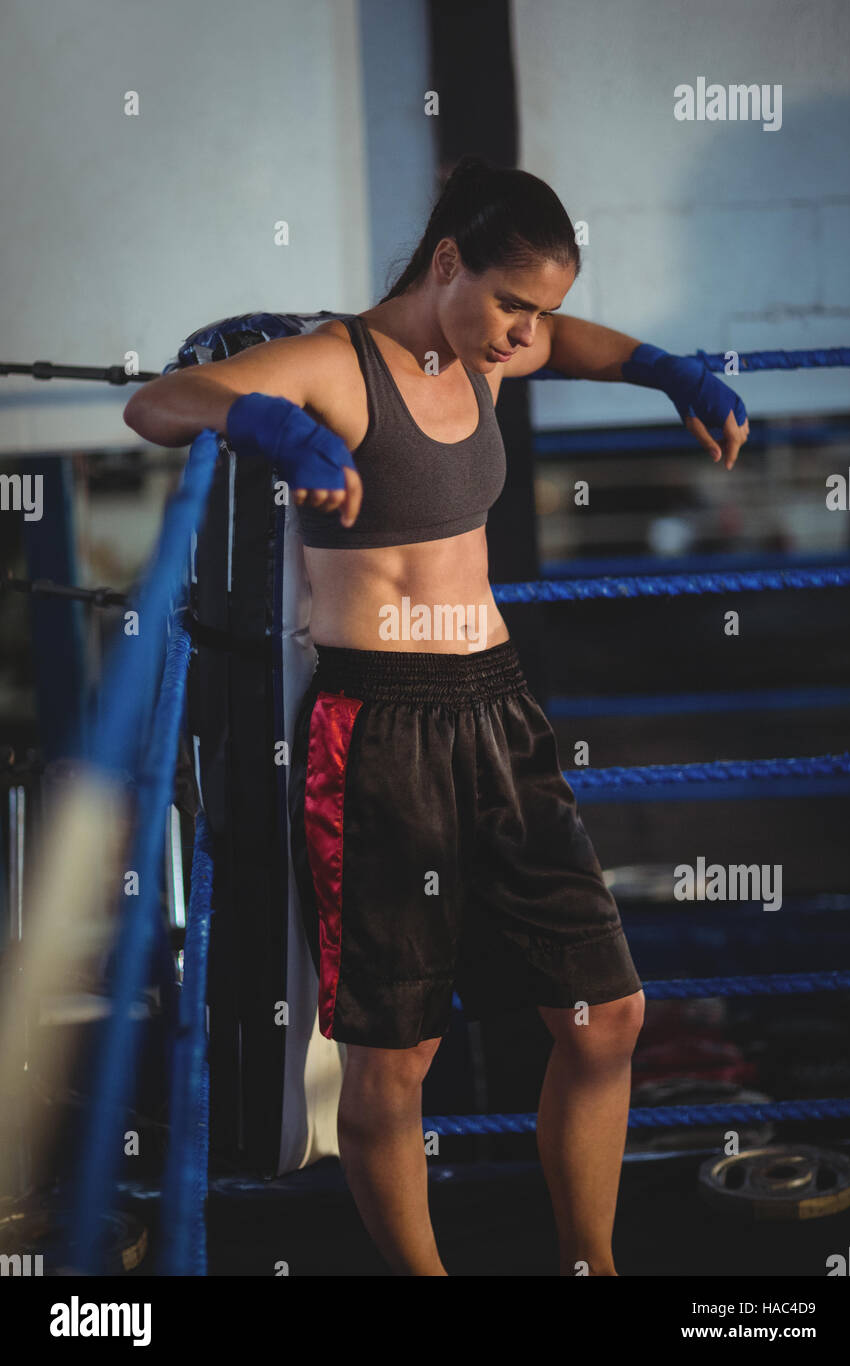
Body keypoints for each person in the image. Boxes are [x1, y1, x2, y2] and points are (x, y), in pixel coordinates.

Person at [123, 155, 749, 1277]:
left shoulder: (490, 352)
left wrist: (668, 372)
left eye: (540, 309)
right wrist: (269, 422)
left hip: (500, 715)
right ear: (446, 259)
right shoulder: (338, 359)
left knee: (604, 1016)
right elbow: (157, 403)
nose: (525, 333)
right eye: (512, 301)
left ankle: (586, 1267)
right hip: (378, 729)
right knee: (394, 1055)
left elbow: (579, 344)